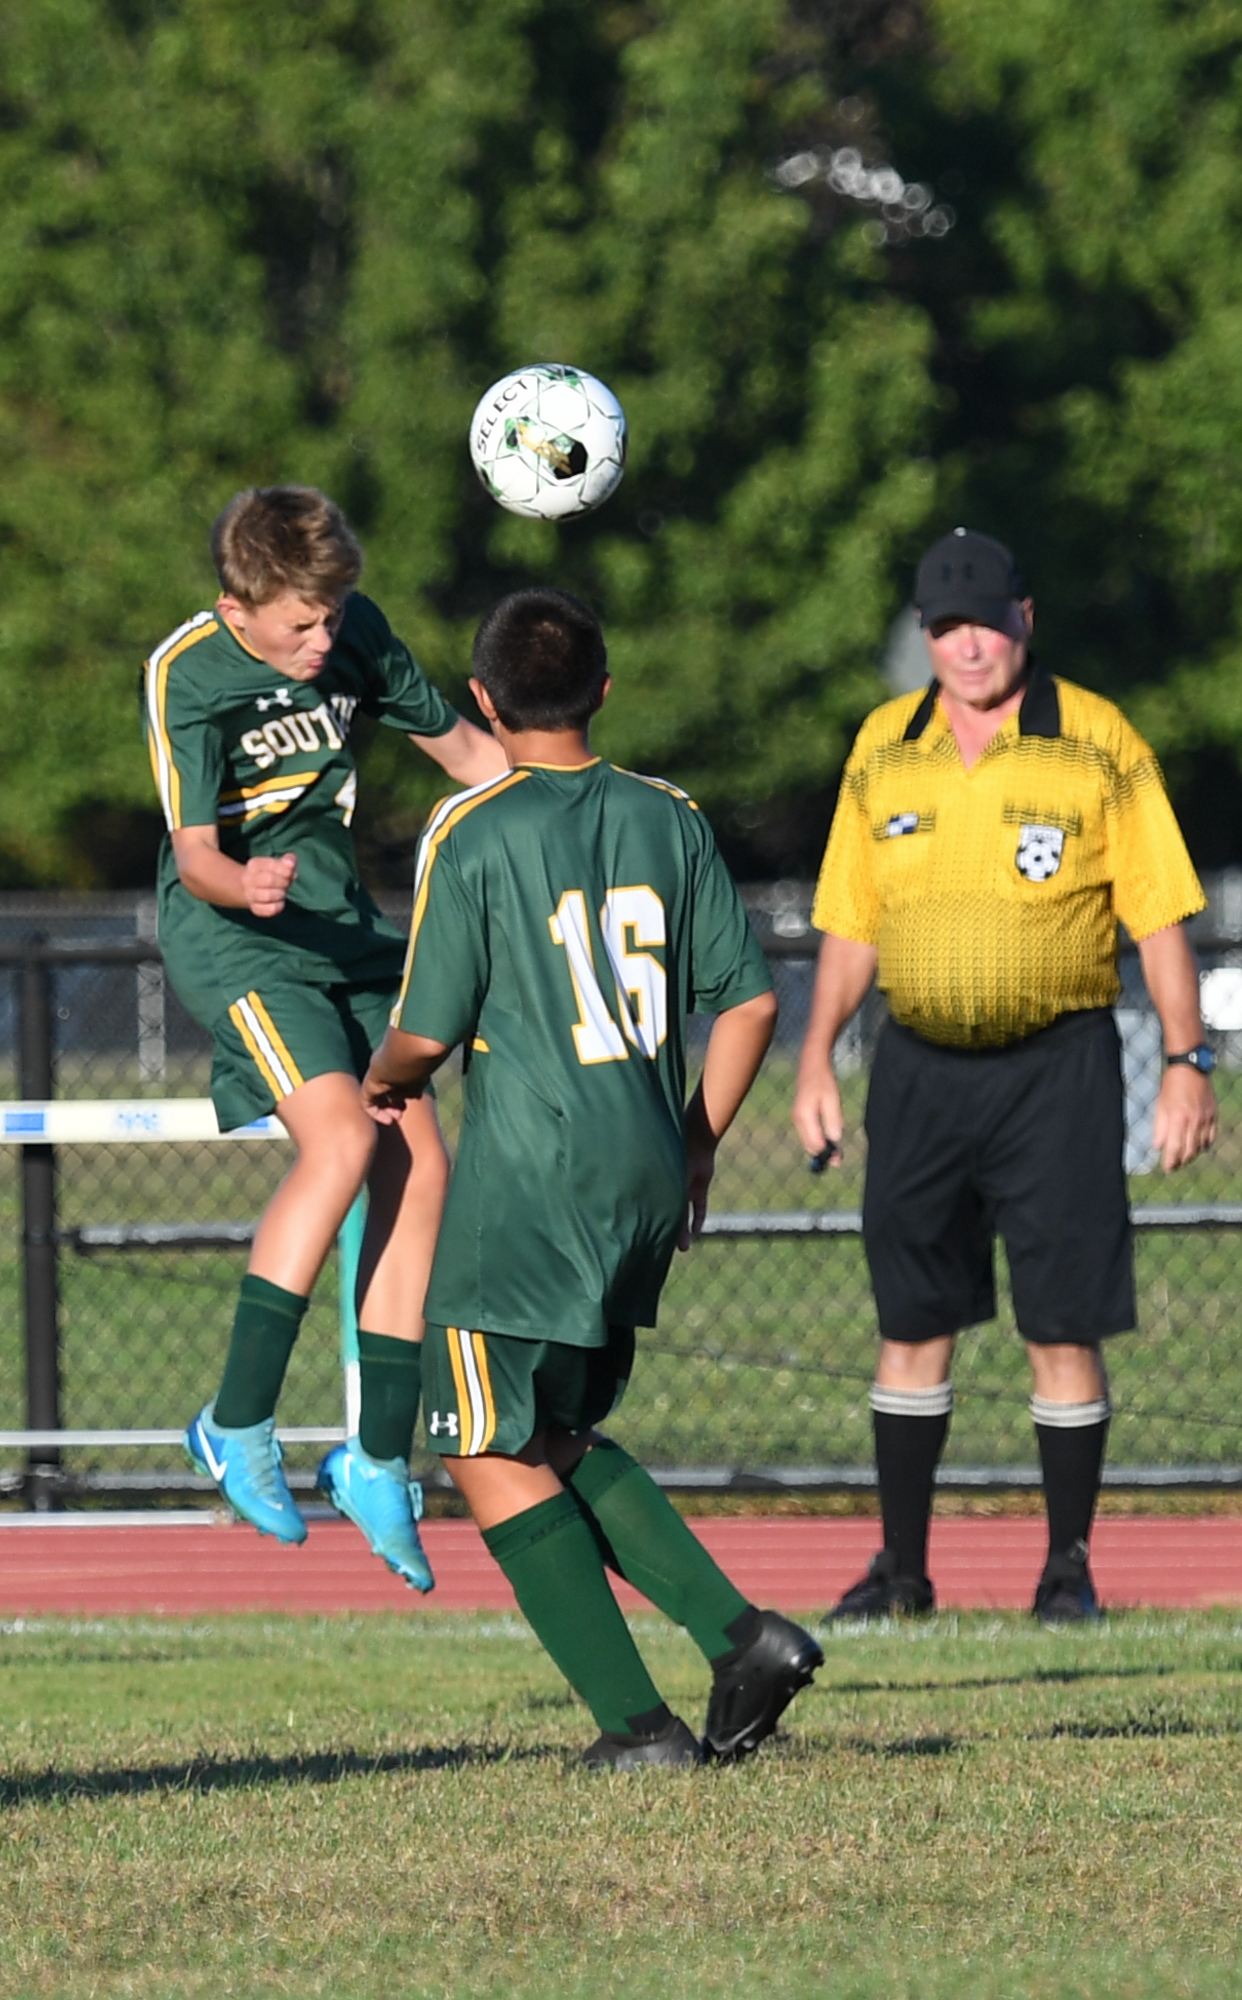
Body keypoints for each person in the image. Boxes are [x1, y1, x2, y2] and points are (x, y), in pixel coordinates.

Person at [360, 585, 823, 1767]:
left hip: (531, 1184)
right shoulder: (668, 813)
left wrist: (382, 1073)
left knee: (474, 1439)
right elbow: (753, 998)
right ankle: (747, 1642)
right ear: (603, 691)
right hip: (642, 1174)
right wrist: (699, 1137)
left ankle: (638, 1724)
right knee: (551, 1431)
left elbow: (428, 1024)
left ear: (480, 699)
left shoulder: (473, 829)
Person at [792, 528, 1218, 1624]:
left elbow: (1159, 912)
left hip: (1058, 1067)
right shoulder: (886, 744)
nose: (967, 643)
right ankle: (901, 1571)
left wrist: (1187, 1059)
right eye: (945, 625)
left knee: (1061, 1326)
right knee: (912, 1318)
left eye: (984, 619)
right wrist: (815, 1061)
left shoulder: (1097, 740)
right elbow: (851, 921)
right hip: (919, 1070)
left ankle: (1067, 1568)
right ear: (924, 635)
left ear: (1027, 617)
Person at [142, 485, 506, 1583]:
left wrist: (571, 801)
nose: (323, 638)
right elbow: (195, 850)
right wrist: (241, 879)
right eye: (300, 622)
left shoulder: (358, 635)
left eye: (333, 615)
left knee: (422, 1162)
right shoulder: (189, 670)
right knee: (343, 1141)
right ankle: (237, 1419)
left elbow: (467, 754)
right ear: (237, 604)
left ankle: (378, 1455)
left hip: (345, 929)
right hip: (236, 935)